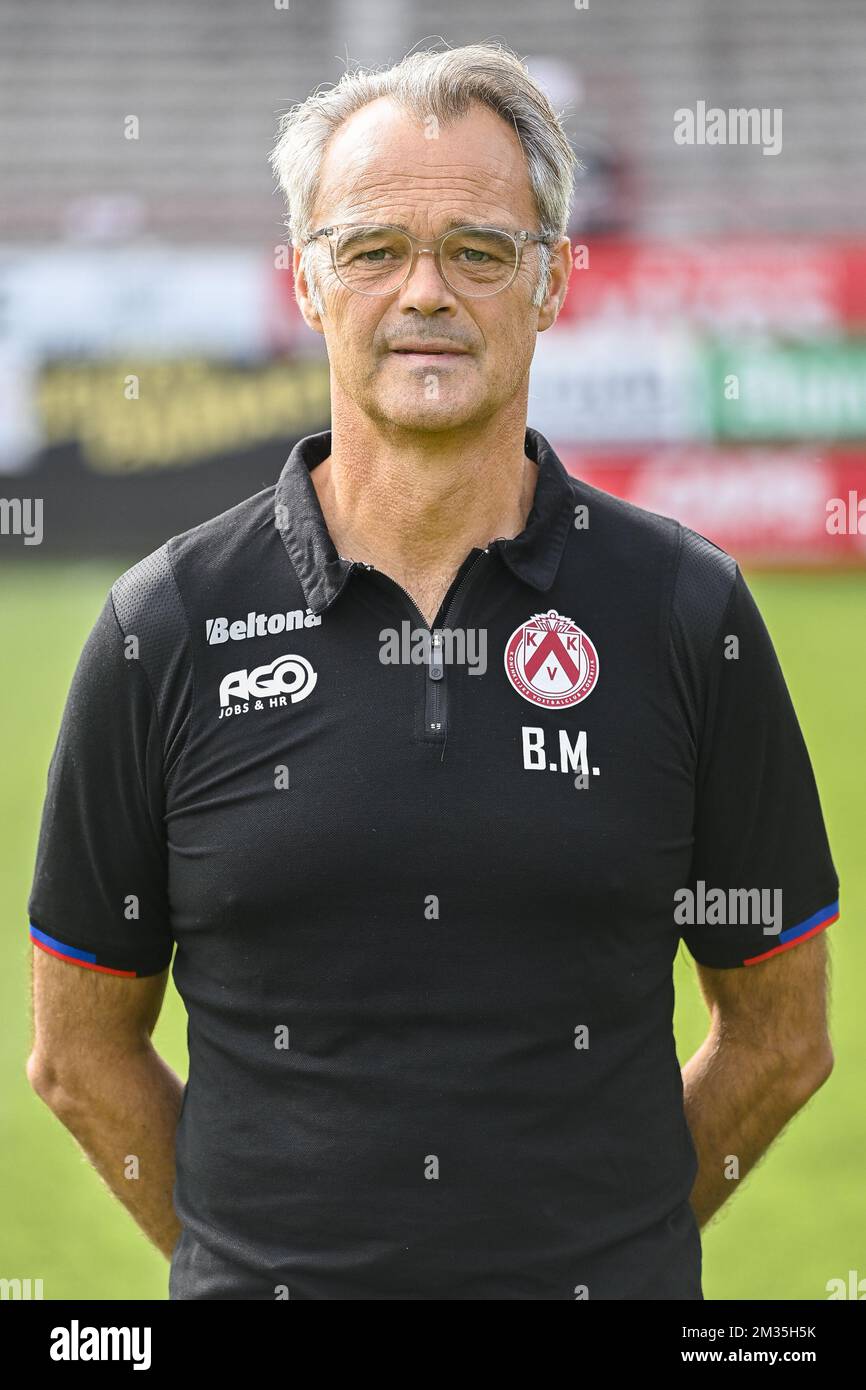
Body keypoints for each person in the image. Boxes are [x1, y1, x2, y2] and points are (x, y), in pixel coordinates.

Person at [26, 43, 840, 1301]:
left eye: (478, 249)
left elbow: (782, 1040)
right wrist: (254, 1260)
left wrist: (603, 1247)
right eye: (369, 250)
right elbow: (79, 1057)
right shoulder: (163, 626)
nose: (424, 292)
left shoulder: (689, 612)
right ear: (304, 279)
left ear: (555, 280)